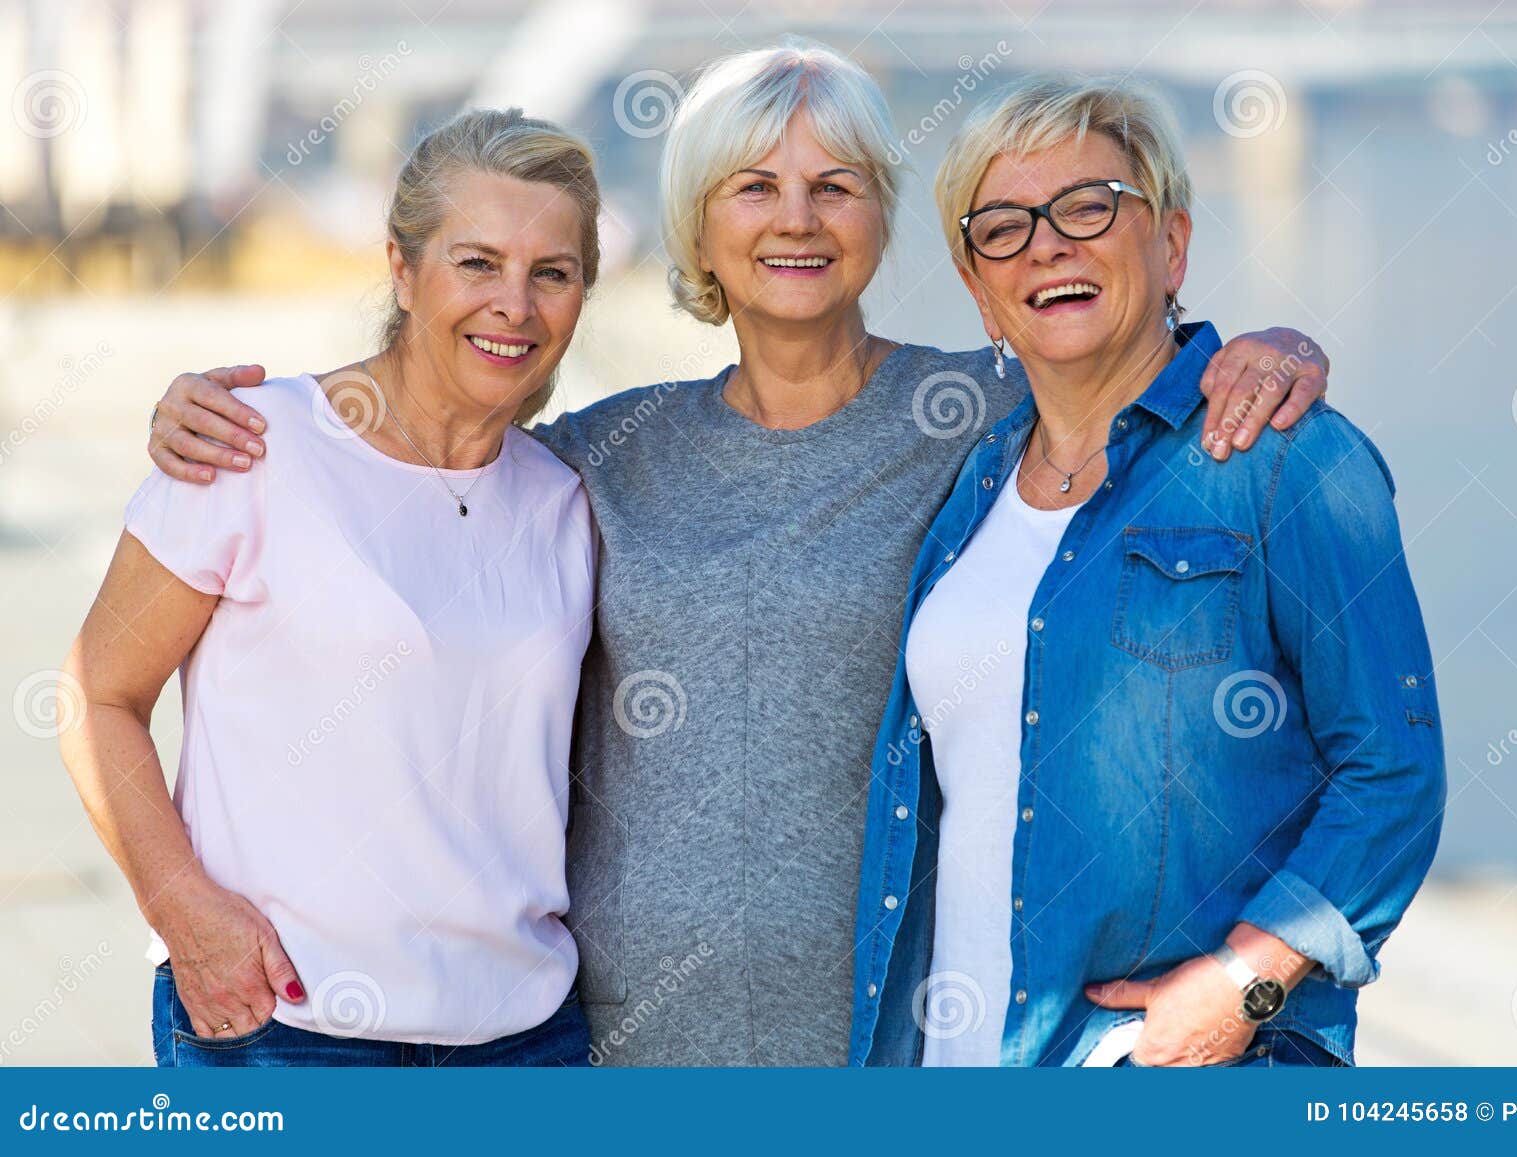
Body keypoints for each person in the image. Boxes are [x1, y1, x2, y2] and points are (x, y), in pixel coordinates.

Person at [139, 42, 1331, 1066]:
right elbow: (426, 454)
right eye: (753, 185)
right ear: (698, 227)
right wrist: (246, 416)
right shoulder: (601, 454)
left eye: (835, 186)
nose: (796, 218)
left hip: (893, 1030)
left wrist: (1269, 348)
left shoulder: (982, 415)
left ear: (879, 219)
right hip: (610, 1038)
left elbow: (1124, 369)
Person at [849, 77, 1446, 1068]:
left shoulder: (1285, 459)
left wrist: (1248, 980)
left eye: (1088, 207)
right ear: (977, 287)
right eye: (1003, 227)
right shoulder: (969, 480)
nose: (1046, 245)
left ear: (1171, 244)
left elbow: (1392, 770)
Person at [59, 109, 599, 1066]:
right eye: (477, 263)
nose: (514, 304)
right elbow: (97, 694)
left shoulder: (568, 497)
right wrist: (182, 909)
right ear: (402, 269)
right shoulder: (250, 444)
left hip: (523, 1042)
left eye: (551, 273)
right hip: (286, 1031)